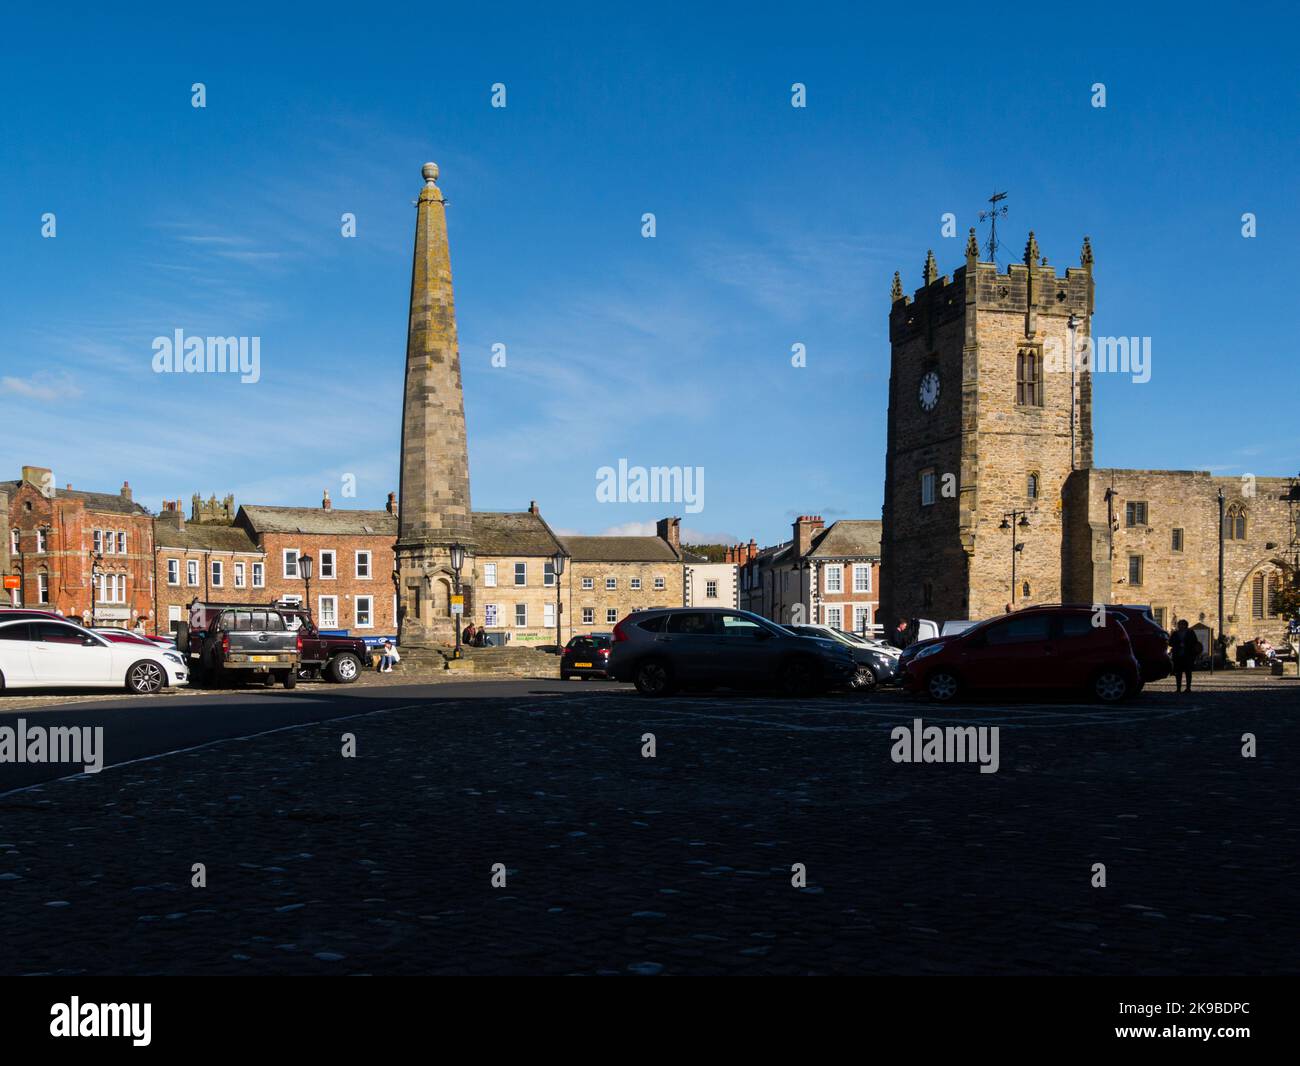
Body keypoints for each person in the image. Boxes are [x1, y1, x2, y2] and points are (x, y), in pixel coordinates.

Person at [1169, 619, 1199, 693]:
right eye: (1179, 624)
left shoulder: (1190, 633)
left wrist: (1186, 645)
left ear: (1186, 625)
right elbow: (1170, 642)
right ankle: (1178, 688)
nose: (1181, 626)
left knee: (1188, 672)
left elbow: (1194, 642)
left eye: (1182, 624)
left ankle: (1188, 688)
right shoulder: (1175, 633)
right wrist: (1178, 644)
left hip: (1188, 655)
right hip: (1178, 656)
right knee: (1178, 673)